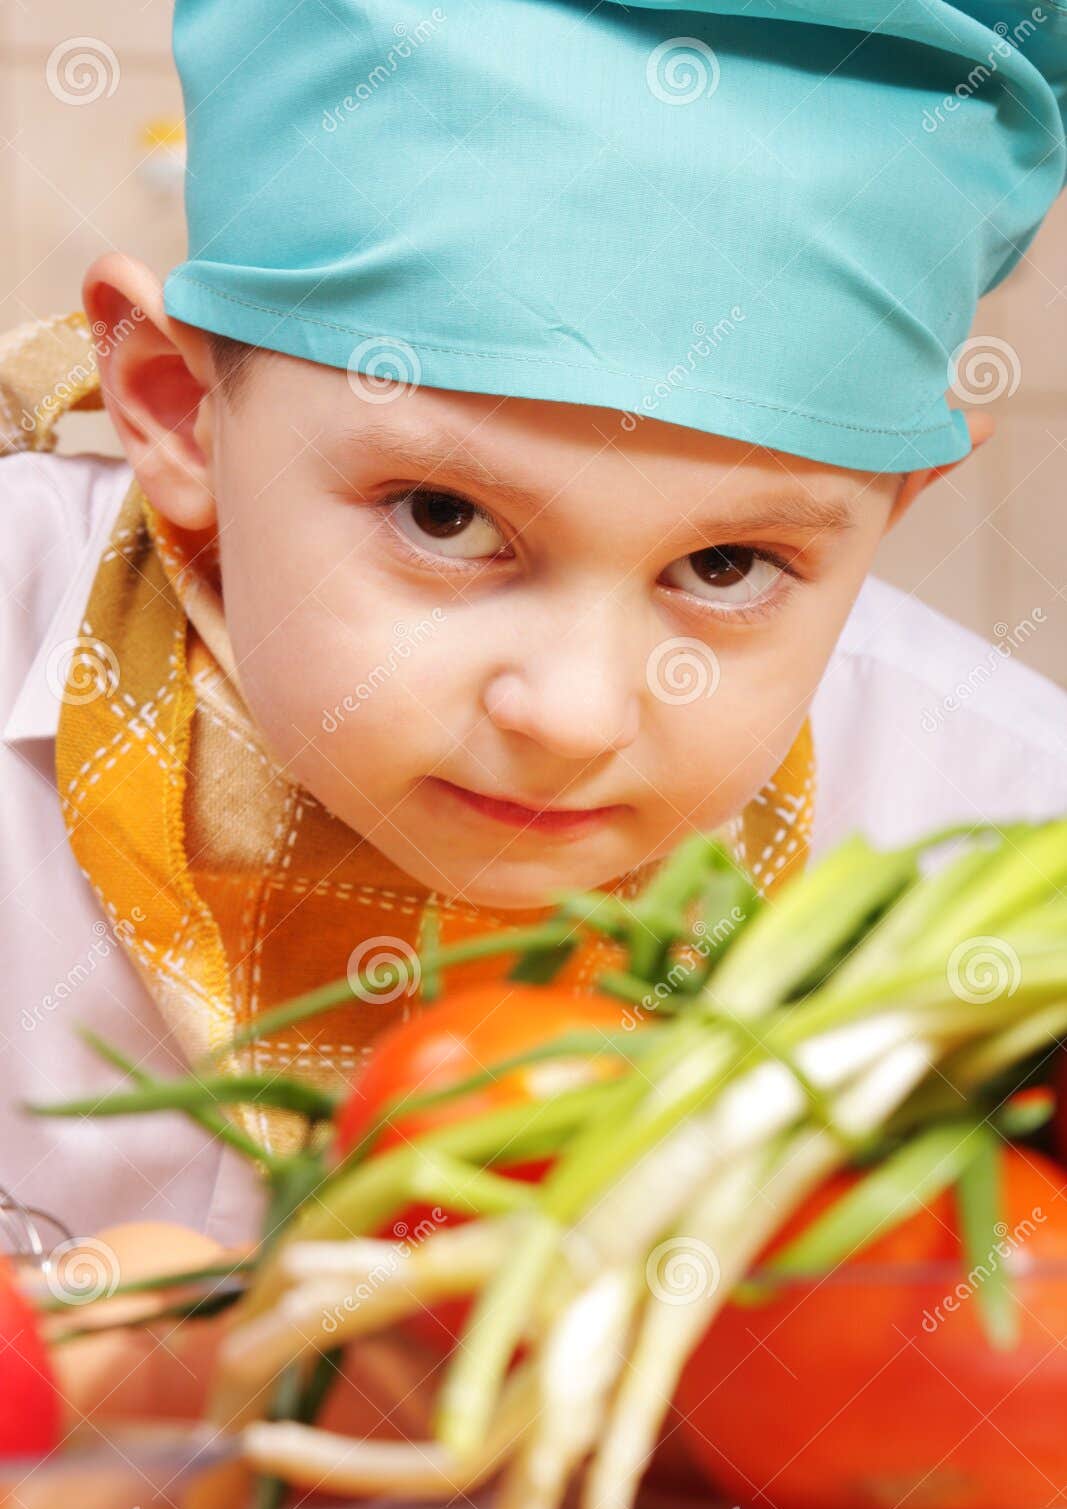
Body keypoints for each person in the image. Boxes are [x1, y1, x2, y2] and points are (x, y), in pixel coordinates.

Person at [2, 0, 1066, 1244]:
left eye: (724, 563)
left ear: (892, 510)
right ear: (181, 408)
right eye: (444, 517)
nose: (567, 713)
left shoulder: (1005, 822)